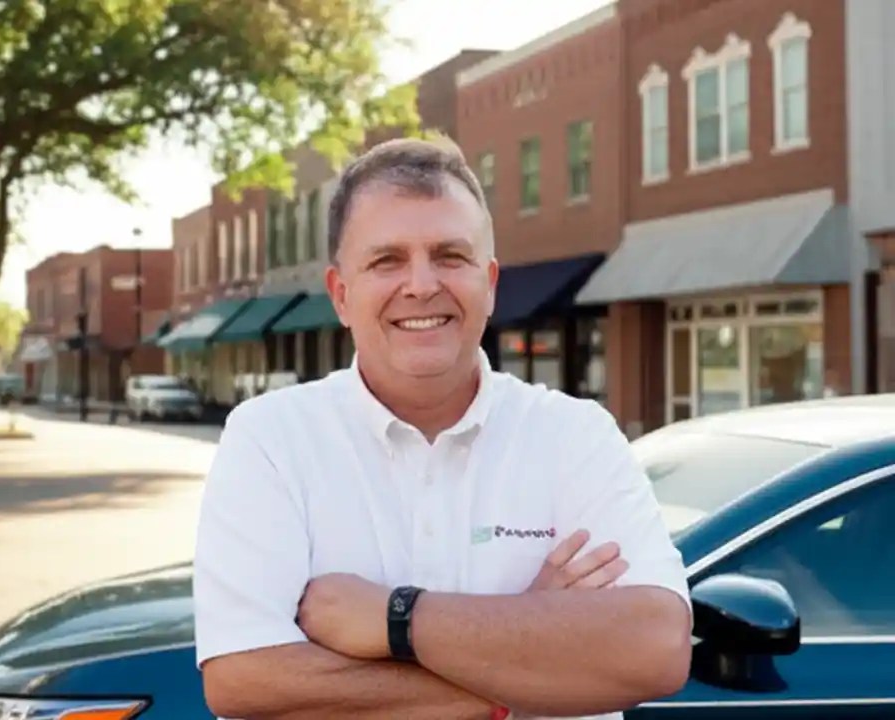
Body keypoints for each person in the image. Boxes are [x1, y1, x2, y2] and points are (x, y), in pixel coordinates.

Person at [192, 137, 692, 720]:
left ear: (490, 282)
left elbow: (655, 649)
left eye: (451, 256)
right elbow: (245, 681)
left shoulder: (576, 435)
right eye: (387, 261)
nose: (422, 285)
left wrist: (396, 619)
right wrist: (524, 665)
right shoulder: (270, 439)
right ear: (341, 294)